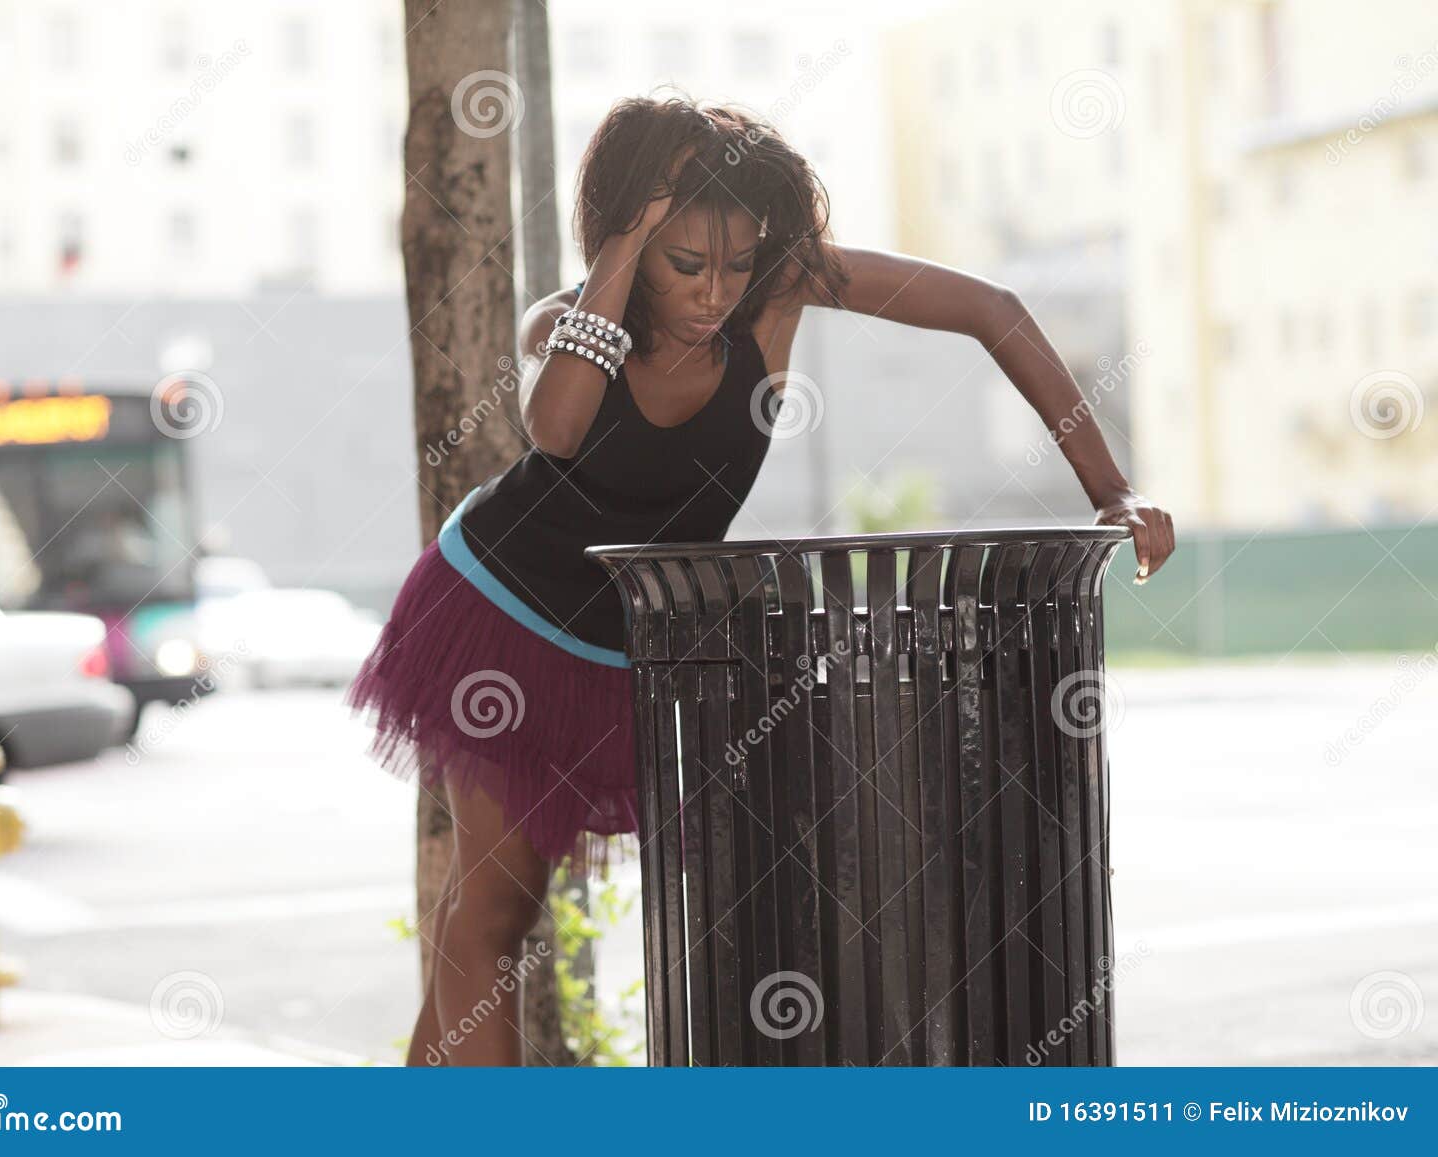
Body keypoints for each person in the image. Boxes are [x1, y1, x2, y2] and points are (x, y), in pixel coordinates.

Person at [345, 94, 1175, 1067]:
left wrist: (1110, 489)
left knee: (497, 909)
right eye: (684, 264)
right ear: (631, 235)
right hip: (494, 608)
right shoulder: (568, 322)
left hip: (618, 643)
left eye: (735, 264)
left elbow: (990, 311)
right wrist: (620, 252)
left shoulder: (779, 291)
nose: (714, 293)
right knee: (490, 911)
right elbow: (557, 431)